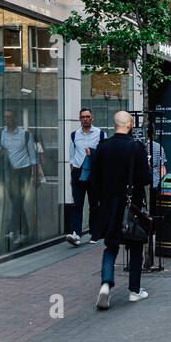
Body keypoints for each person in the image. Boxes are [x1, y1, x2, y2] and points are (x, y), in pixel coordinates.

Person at [89, 110, 152, 309]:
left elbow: (94, 180)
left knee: (111, 246)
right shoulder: (136, 147)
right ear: (130, 125)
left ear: (114, 125)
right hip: (130, 206)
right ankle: (134, 290)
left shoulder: (103, 147)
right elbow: (145, 179)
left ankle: (106, 284)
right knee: (135, 245)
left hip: (108, 205)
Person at [0, 109, 45, 249]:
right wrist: (0, 153)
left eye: (9, 117)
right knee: (16, 203)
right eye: (5, 117)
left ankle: (11, 230)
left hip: (24, 171)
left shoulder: (25, 135)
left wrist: (36, 176)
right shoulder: (1, 134)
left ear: (15, 119)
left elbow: (33, 155)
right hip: (9, 172)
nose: (7, 119)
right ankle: (25, 231)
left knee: (18, 200)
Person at [68, 108, 103, 245]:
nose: (85, 119)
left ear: (92, 118)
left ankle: (94, 233)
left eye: (88, 116)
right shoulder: (74, 135)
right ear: (79, 119)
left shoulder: (100, 133)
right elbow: (71, 157)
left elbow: (103, 154)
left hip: (93, 173)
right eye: (83, 117)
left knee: (94, 205)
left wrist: (92, 153)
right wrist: (72, 175)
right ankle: (76, 233)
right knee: (77, 204)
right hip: (77, 173)